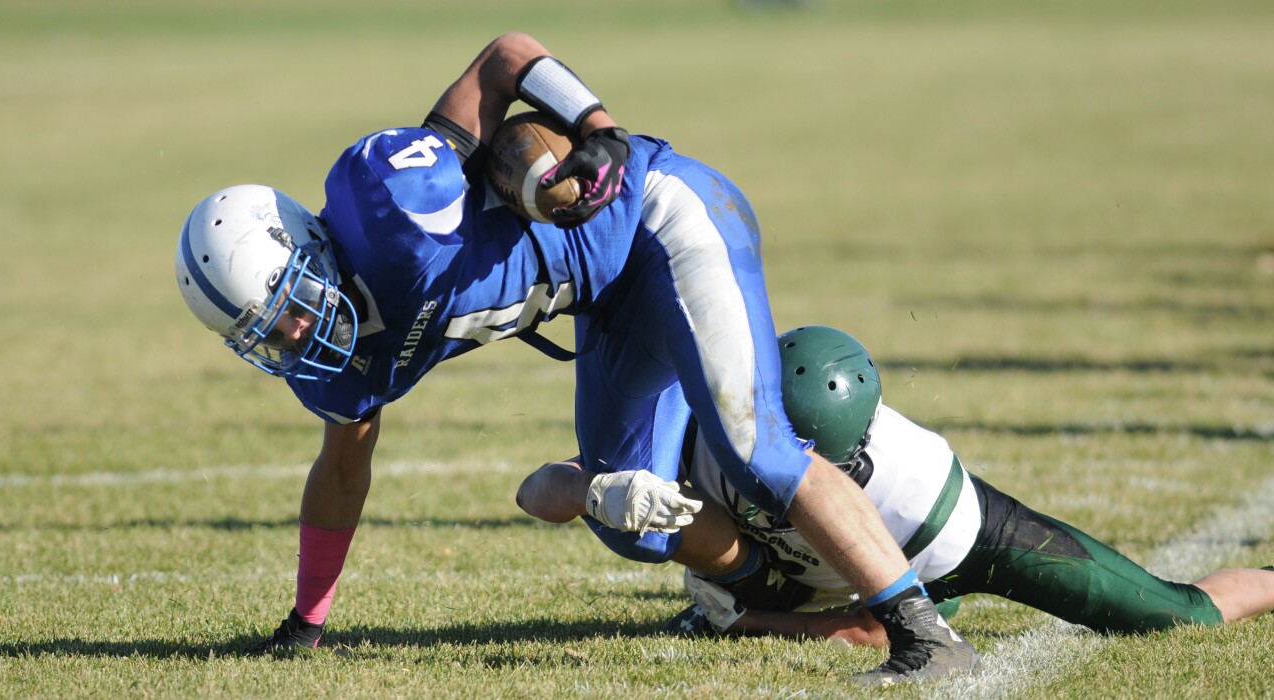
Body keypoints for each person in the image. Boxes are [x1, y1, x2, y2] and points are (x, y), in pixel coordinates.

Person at [173, 33, 977, 682]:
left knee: (753, 445)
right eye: (264, 332)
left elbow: (503, 59)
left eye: (289, 308)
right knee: (629, 515)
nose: (293, 338)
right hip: (609, 302)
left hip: (662, 215)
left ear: (311, 247)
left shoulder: (388, 203)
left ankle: (923, 633)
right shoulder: (336, 362)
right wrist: (307, 622)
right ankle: (792, 607)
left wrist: (593, 128)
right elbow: (342, 471)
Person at [516, 325, 1274, 645]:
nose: (777, 474)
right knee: (648, 516)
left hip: (929, 545)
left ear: (853, 463)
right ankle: (734, 599)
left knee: (1178, 618)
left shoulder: (914, 498)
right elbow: (534, 489)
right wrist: (594, 491)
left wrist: (758, 625)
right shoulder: (706, 418)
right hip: (766, 566)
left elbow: (870, 629)